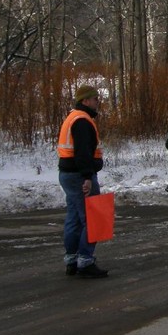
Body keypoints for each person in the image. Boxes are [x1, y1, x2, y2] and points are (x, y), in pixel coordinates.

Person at [57, 84, 108, 278]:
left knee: (74, 218)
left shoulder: (72, 118)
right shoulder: (82, 121)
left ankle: (72, 259)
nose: (97, 102)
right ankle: (85, 261)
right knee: (93, 218)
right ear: (85, 101)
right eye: (95, 99)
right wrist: (87, 176)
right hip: (80, 175)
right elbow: (83, 153)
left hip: (68, 174)